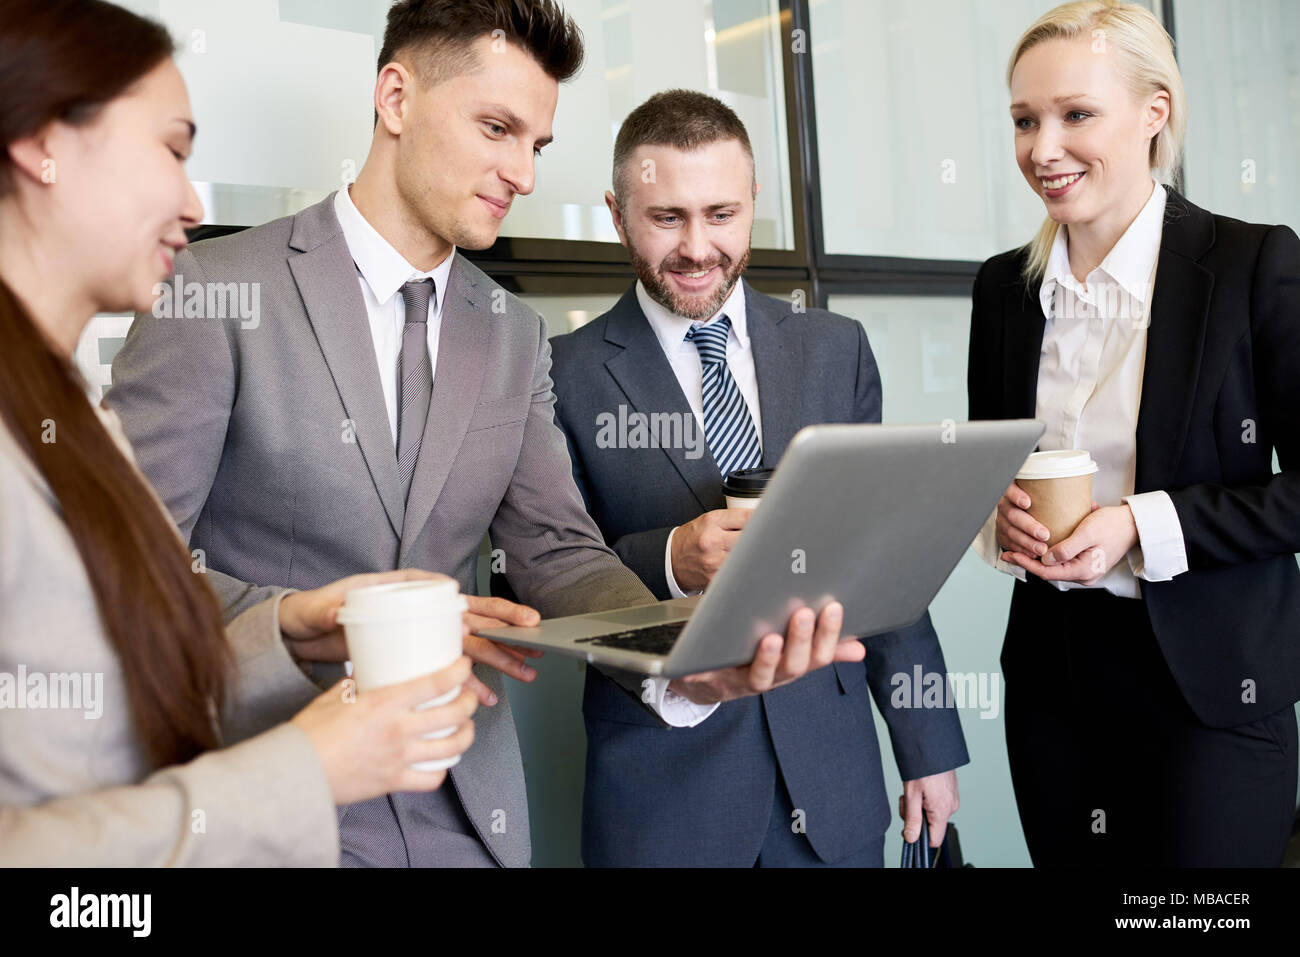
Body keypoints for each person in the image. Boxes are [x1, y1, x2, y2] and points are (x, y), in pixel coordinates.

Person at [107, 0, 855, 867]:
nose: (523, 174)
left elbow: (561, 555)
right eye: (496, 128)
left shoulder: (510, 333)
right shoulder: (213, 294)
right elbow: (123, 577)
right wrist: (300, 623)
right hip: (272, 793)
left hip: (465, 811)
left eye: (534, 145)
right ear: (395, 98)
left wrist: (684, 657)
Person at [0, 0, 478, 866]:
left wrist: (289, 627)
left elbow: (117, 701)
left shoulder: (75, 415)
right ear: (42, 142)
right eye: (172, 148)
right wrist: (311, 768)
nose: (191, 201)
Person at [547, 90, 968, 867]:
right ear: (616, 212)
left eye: (721, 214)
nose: (698, 247)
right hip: (665, 801)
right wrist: (671, 556)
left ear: (754, 206)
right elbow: (544, 569)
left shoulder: (833, 350)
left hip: (834, 782)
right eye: (666, 217)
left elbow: (888, 556)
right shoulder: (559, 375)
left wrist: (926, 744)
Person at [970, 0, 1300, 866]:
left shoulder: (1251, 264)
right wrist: (994, 520)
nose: (1043, 149)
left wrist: (1142, 522)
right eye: (1025, 120)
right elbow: (990, 472)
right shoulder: (1004, 290)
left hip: (1211, 685)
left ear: (1154, 113)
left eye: (1077, 115)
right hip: (1055, 685)